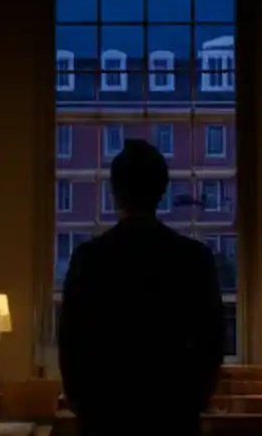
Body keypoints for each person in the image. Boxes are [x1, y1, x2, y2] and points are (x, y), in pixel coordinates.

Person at [58, 139, 226, 436]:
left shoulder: (91, 258)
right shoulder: (193, 259)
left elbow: (71, 343)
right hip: (173, 416)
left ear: (115, 193)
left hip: (105, 417)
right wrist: (194, 400)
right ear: (161, 191)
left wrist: (83, 404)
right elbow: (212, 342)